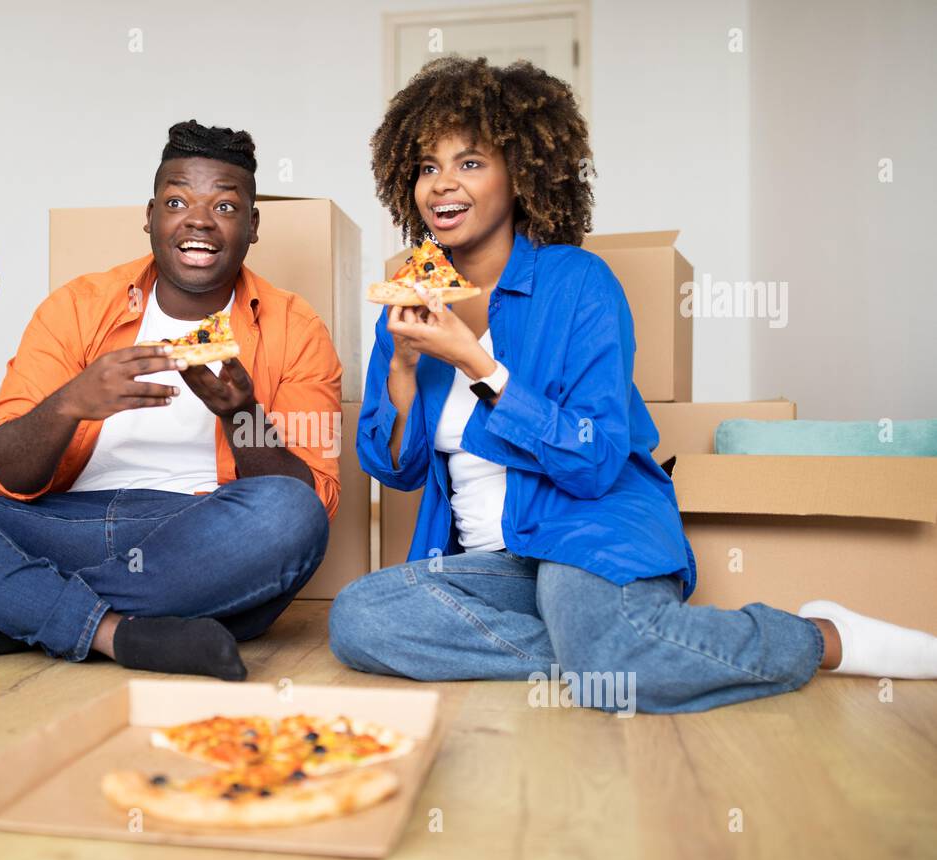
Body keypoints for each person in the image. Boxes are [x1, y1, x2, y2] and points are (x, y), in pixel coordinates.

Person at [329, 56, 937, 713]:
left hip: (587, 533)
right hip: (494, 567)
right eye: (427, 166)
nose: (442, 184)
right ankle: (612, 649)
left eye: (470, 162)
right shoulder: (413, 301)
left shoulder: (580, 283)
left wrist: (477, 363)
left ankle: (821, 637)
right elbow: (398, 471)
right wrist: (401, 368)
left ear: (520, 174)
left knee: (601, 648)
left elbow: (591, 461)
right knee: (360, 616)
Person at [0, 120, 343, 681]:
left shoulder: (296, 326)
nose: (198, 219)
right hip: (52, 528)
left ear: (252, 225)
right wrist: (70, 403)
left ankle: (8, 613)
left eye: (224, 206)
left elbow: (309, 498)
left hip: (189, 535)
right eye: (177, 201)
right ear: (150, 217)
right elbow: (3, 475)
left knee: (287, 519)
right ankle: (116, 632)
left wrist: (240, 416)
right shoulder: (77, 305)